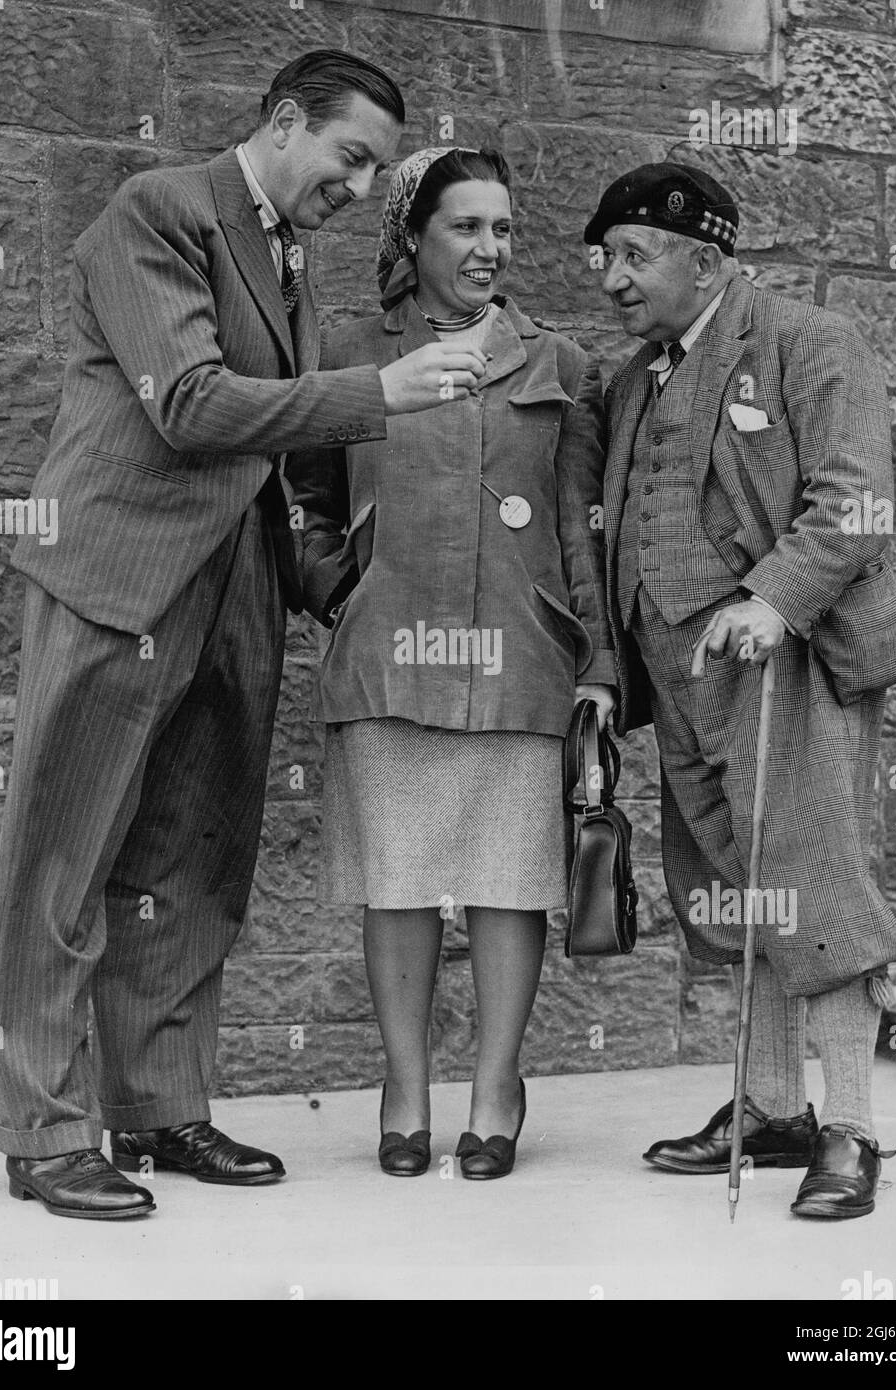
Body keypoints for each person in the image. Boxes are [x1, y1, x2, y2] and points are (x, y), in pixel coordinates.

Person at [0, 51, 489, 1221]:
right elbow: (190, 404)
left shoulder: (285, 247)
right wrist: (386, 390)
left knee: (192, 862)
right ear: (281, 123)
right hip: (121, 577)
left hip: (233, 594)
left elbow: (270, 445)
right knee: (65, 860)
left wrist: (318, 570)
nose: (361, 187)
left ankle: (158, 1108)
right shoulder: (156, 210)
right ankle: (44, 1129)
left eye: (375, 169)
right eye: (349, 157)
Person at [585, 162, 896, 1219]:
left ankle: (851, 1126)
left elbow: (852, 497)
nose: (612, 281)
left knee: (809, 874)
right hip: (677, 671)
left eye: (635, 256)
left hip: (789, 657)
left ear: (706, 258)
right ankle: (773, 1106)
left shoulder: (806, 342)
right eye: (604, 258)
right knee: (729, 883)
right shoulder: (634, 379)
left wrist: (774, 600)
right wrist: (609, 671)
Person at [287, 146, 616, 1180]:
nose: (489, 248)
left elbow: (582, 528)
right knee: (399, 879)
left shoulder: (556, 362)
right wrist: (337, 589)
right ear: (415, 235)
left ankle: (495, 1088)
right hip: (390, 658)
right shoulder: (351, 353)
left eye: (503, 229)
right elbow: (303, 501)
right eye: (466, 226)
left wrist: (597, 656)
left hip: (521, 656)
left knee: (508, 881)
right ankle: (403, 1086)